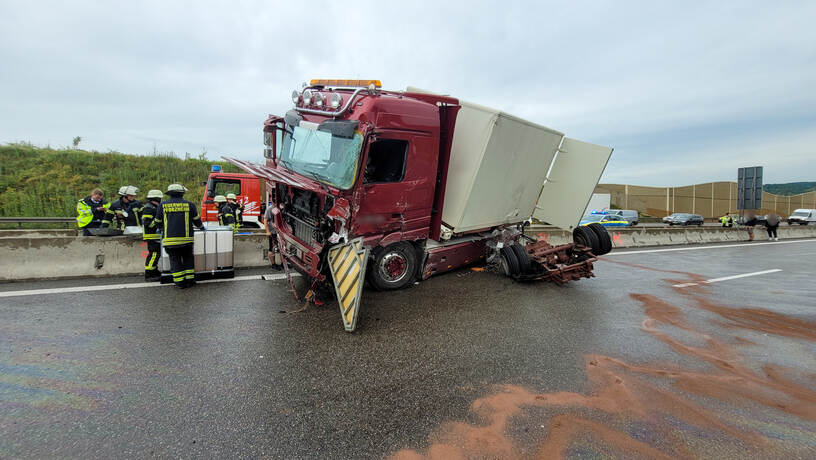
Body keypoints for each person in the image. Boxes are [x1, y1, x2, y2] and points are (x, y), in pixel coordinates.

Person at [153, 184, 204, 288]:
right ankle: (190, 280)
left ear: (169, 194)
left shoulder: (162, 205)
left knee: (175, 260)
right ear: (182, 193)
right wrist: (202, 227)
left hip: (170, 241)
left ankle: (180, 283)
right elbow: (196, 220)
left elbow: (157, 222)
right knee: (188, 259)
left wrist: (162, 228)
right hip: (187, 240)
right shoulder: (190, 204)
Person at [140, 189, 164, 281]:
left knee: (156, 255)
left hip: (155, 235)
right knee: (154, 254)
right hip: (151, 235)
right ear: (157, 199)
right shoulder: (149, 208)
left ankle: (154, 271)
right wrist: (158, 222)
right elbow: (147, 223)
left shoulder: (154, 207)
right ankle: (149, 274)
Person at [263, 201, 282, 270]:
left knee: (282, 248)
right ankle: (273, 265)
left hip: (281, 233)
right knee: (272, 248)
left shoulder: (282, 208)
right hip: (273, 232)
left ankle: (283, 263)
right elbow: (265, 220)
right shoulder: (270, 208)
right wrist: (267, 231)